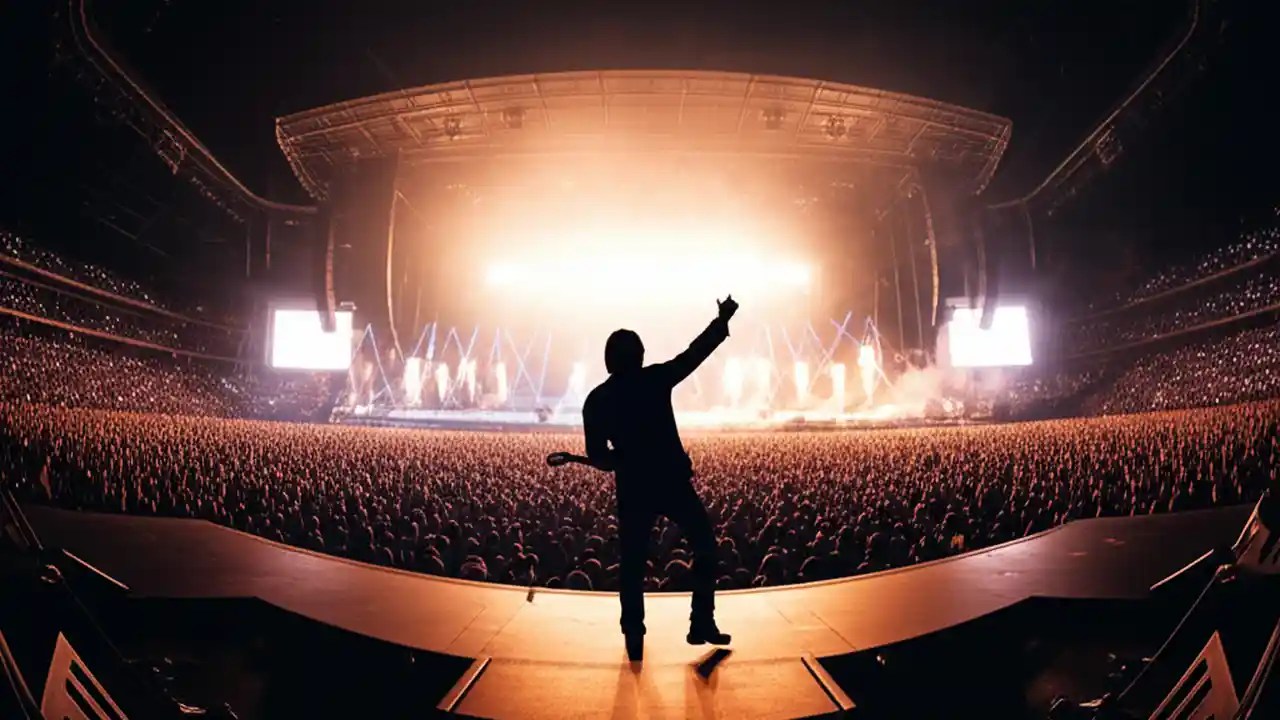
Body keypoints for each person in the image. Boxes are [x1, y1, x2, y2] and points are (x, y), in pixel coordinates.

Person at [581, 295, 739, 660]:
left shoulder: (597, 400)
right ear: (638, 355)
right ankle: (702, 622)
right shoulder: (655, 380)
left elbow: (599, 457)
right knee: (704, 545)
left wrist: (619, 458)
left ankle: (633, 634)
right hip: (671, 482)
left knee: (632, 562)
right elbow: (694, 355)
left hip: (634, 488)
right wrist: (721, 321)